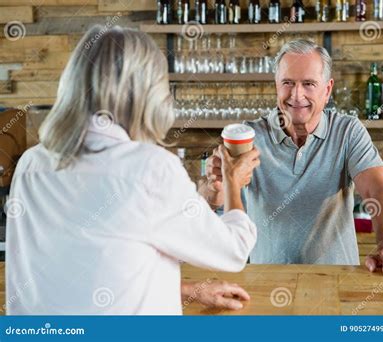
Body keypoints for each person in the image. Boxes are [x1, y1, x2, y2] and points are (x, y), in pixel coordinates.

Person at [6, 25, 260, 315]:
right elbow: (234, 250)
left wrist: (185, 291)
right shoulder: (150, 168)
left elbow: (78, 275)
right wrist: (232, 182)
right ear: (147, 95)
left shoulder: (31, 163)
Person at [200, 39, 383, 278]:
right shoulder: (249, 136)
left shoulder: (347, 131)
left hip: (336, 282)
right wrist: (215, 186)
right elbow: (215, 205)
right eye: (288, 83)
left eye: (308, 84)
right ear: (276, 85)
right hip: (265, 282)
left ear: (327, 90)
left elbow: (376, 190)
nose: (297, 94)